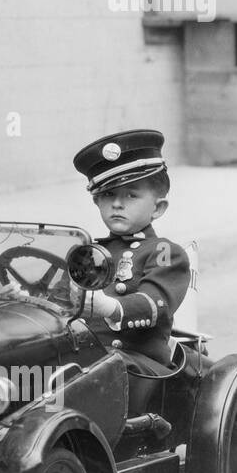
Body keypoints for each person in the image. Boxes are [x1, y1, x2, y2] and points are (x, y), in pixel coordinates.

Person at [71, 129, 192, 387]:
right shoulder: (89, 251)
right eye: (108, 195)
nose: (117, 204)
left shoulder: (163, 251)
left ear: (158, 208)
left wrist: (111, 308)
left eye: (131, 195)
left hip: (140, 369)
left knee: (98, 368)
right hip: (92, 360)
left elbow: (156, 304)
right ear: (96, 201)